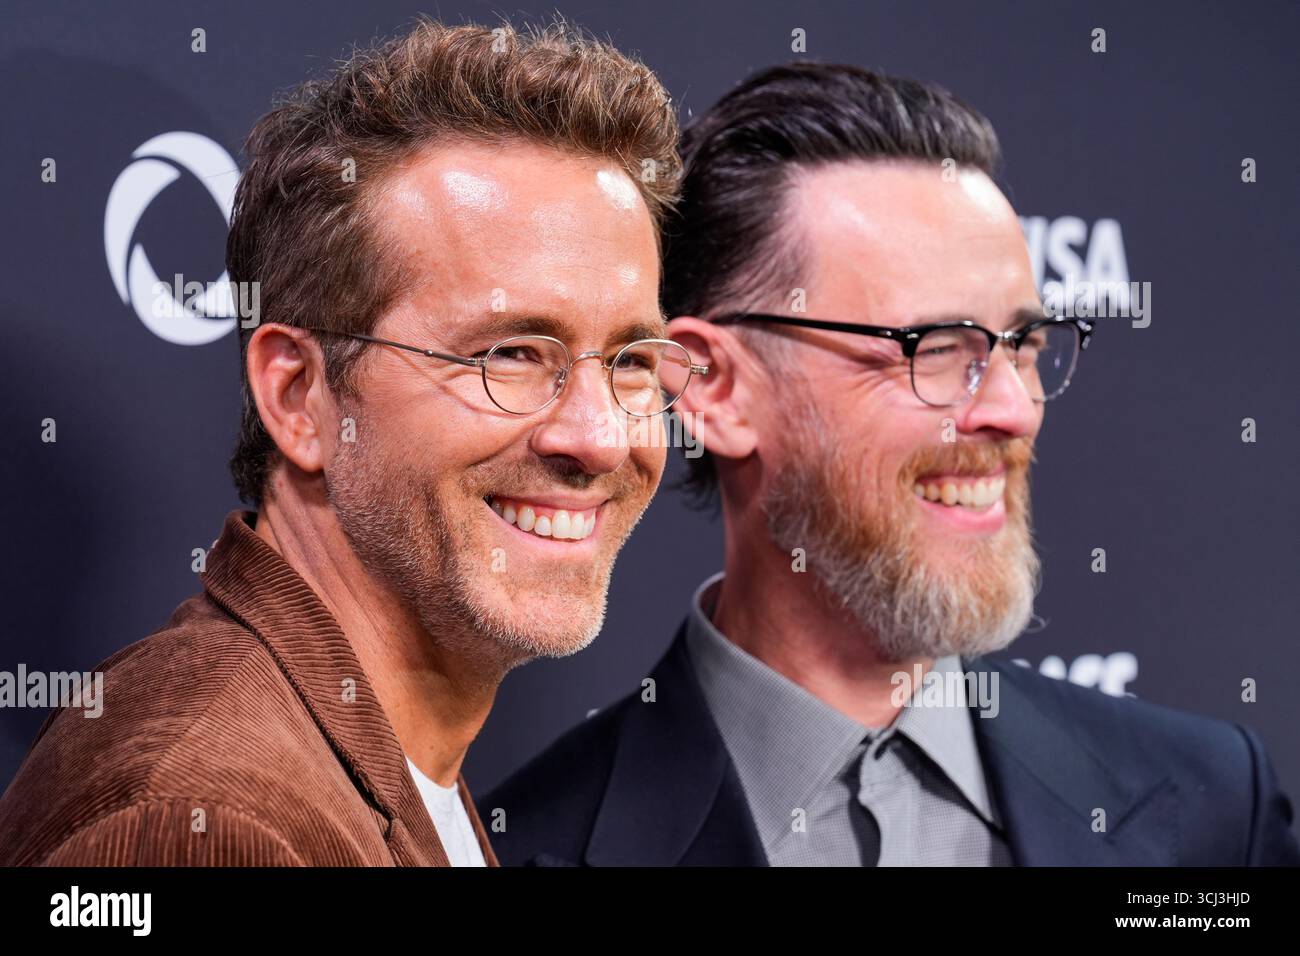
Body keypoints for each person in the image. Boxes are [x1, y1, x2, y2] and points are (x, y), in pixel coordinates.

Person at [483, 62, 1300, 866]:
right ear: (717, 389)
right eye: (937, 350)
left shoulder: (1210, 809)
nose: (1011, 410)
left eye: (1024, 347)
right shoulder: (517, 851)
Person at [0, 18, 699, 866]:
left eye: (630, 361)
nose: (595, 437)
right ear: (299, 395)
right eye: (510, 355)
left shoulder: (369, 754)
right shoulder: (207, 820)